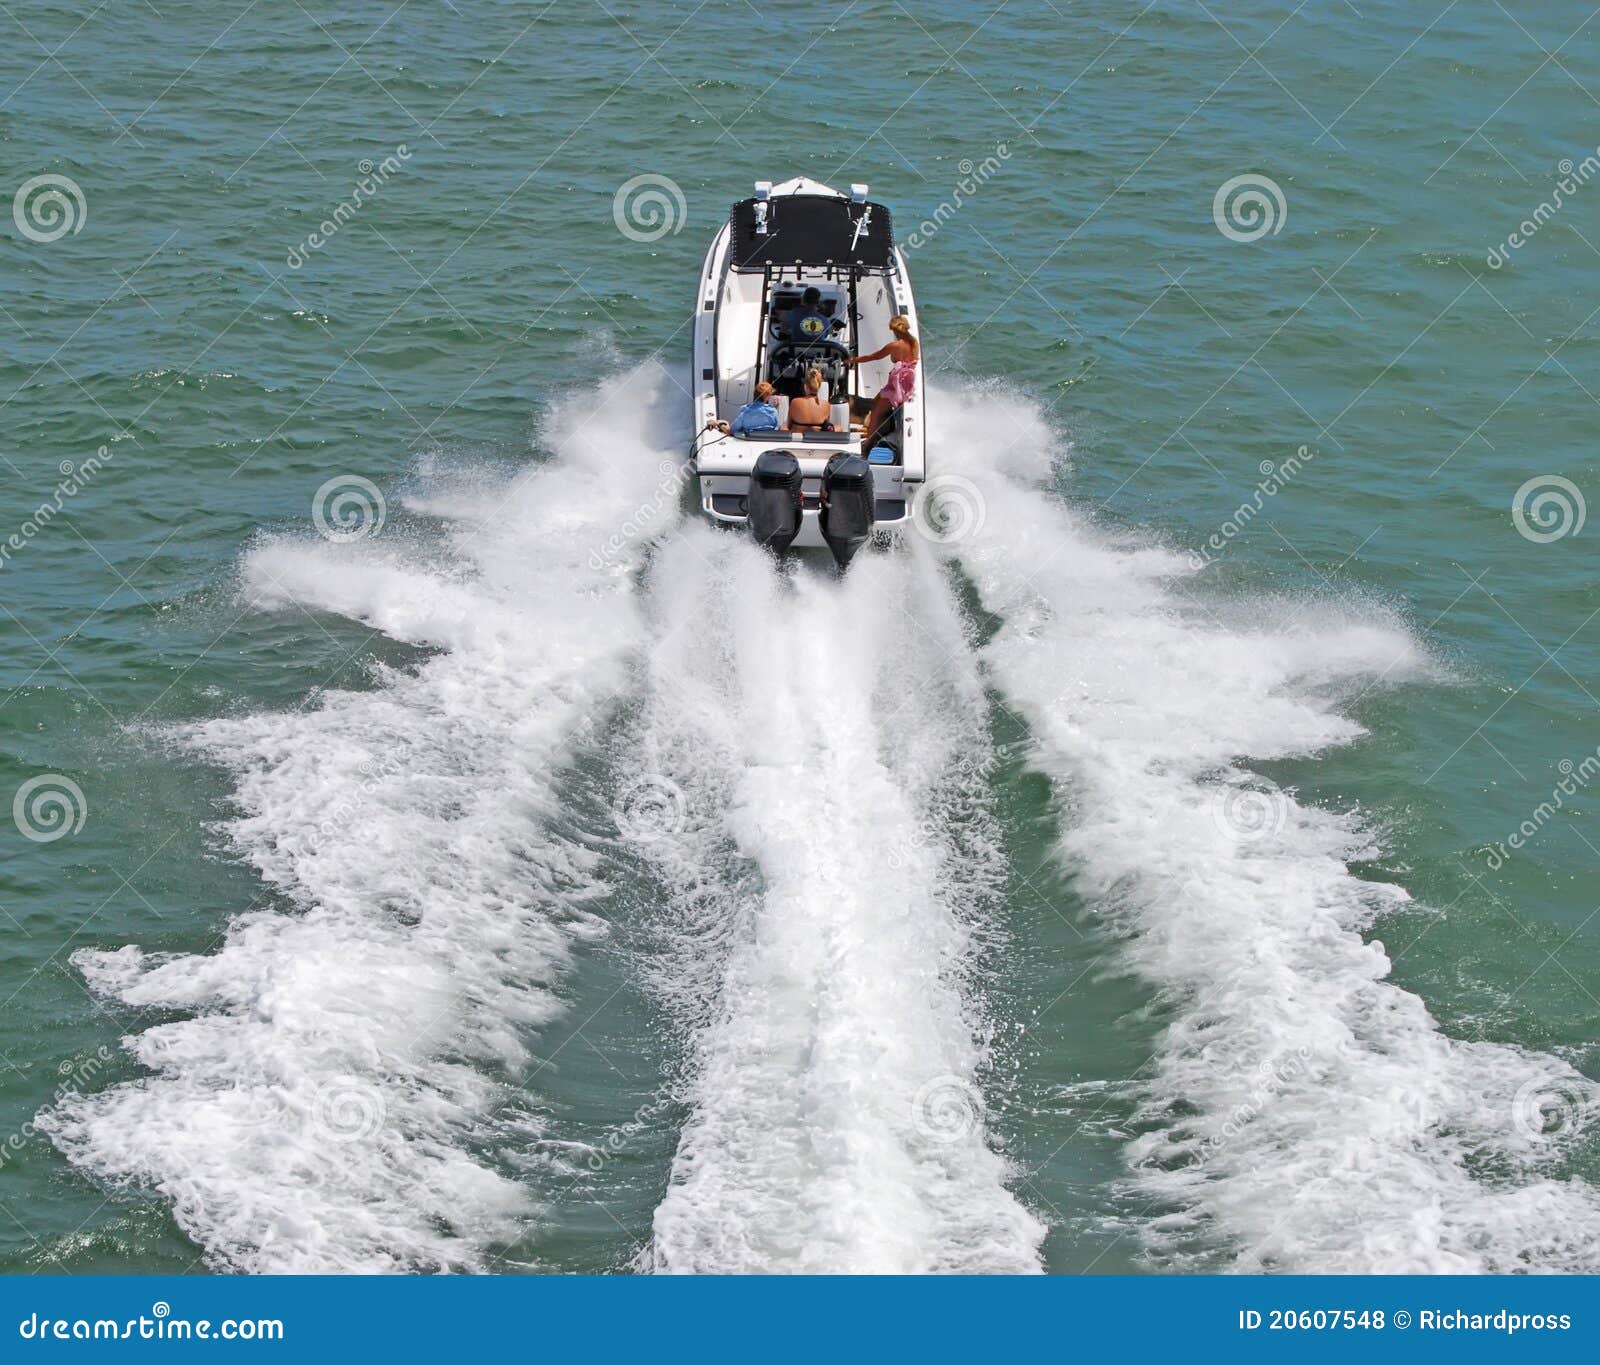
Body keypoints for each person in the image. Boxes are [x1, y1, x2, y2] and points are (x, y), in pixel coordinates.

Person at [846, 315, 918, 456]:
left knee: (876, 414)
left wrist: (853, 360)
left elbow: (873, 357)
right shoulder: (914, 343)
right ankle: (872, 434)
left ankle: (868, 444)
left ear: (894, 330)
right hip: (905, 384)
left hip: (894, 385)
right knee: (875, 403)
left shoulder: (895, 346)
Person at [707, 380, 780, 435]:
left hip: (747, 442)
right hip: (766, 445)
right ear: (767, 396)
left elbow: (732, 431)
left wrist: (718, 423)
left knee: (723, 422)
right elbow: (777, 428)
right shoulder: (773, 411)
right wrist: (774, 408)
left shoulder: (745, 410)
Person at [785, 367, 832, 431]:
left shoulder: (795, 402)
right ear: (819, 386)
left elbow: (789, 425)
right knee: (838, 427)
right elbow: (826, 426)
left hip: (797, 436)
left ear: (805, 386)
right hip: (817, 437)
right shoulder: (826, 405)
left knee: (783, 426)